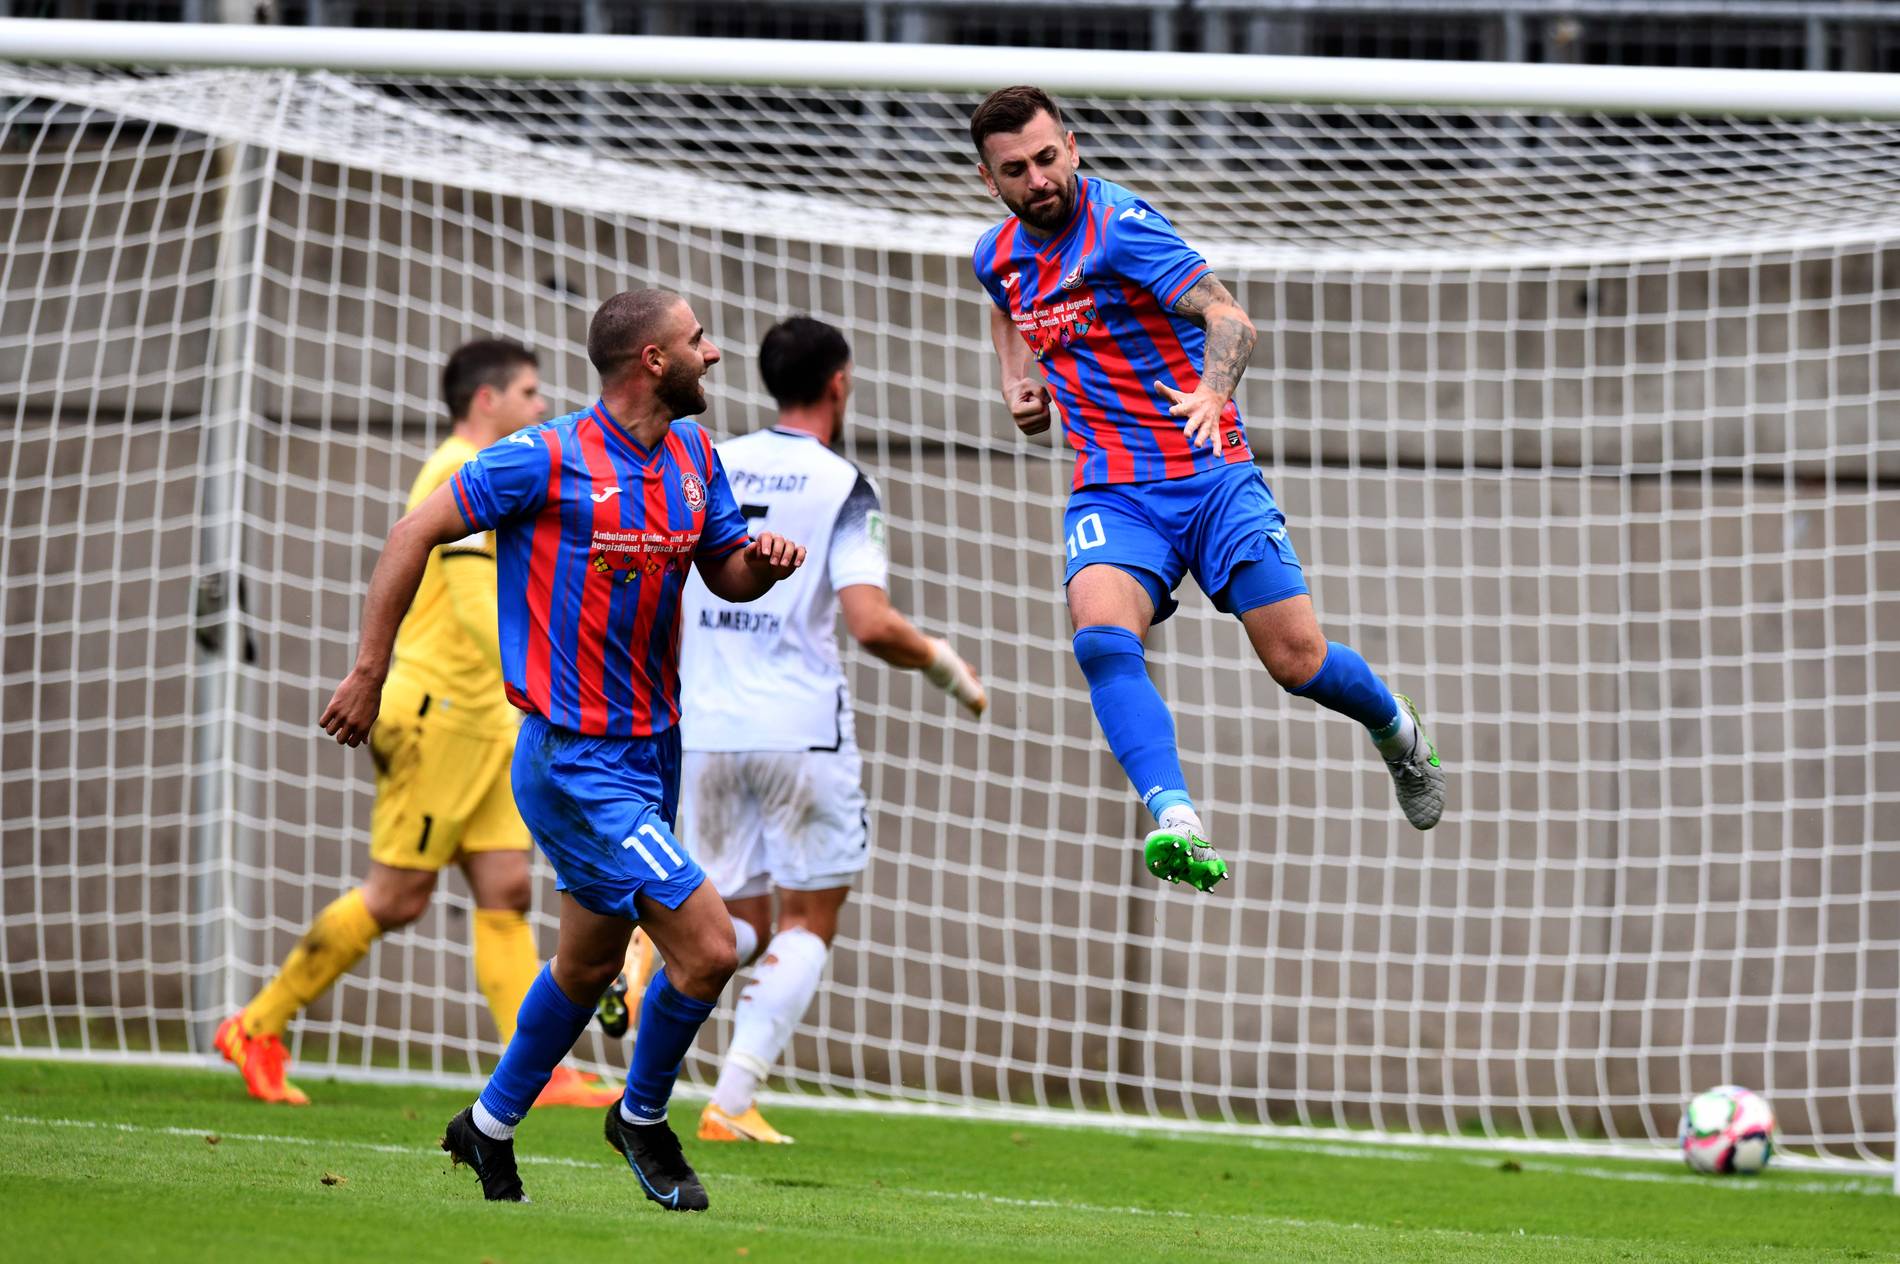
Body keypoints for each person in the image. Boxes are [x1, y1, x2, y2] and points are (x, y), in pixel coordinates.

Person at [318, 290, 807, 1211]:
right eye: (698, 339)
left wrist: (763, 565)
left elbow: (726, 571)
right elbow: (414, 529)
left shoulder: (698, 455)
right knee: (707, 949)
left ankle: (488, 1127)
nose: (716, 353)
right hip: (574, 761)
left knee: (587, 964)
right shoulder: (547, 458)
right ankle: (643, 1116)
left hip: (654, 751)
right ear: (653, 362)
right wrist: (369, 671)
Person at [967, 86, 1445, 892]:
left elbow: (1231, 321)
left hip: (1210, 474)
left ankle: (1396, 729)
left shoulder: (1123, 229)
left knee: (1297, 663)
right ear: (992, 182)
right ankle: (1177, 818)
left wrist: (1214, 395)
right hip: (1113, 491)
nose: (1038, 178)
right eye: (1016, 169)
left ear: (1074, 148)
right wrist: (1018, 383)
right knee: (1099, 637)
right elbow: (1007, 303)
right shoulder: (996, 253)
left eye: (1049, 158)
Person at [609, 316, 986, 1145]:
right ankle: (732, 1099)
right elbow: (872, 622)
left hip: (701, 727)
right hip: (800, 732)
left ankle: (644, 949)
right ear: (839, 384)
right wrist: (949, 669)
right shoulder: (840, 482)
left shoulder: (709, 460)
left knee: (732, 925)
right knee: (809, 919)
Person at [215, 339, 615, 1110]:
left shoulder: (498, 473)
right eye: (529, 393)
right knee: (397, 898)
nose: (541, 406)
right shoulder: (456, 474)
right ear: (486, 401)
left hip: (490, 721)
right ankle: (255, 1026)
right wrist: (562, 680)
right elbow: (472, 610)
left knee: (505, 888)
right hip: (441, 717)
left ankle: (541, 1068)